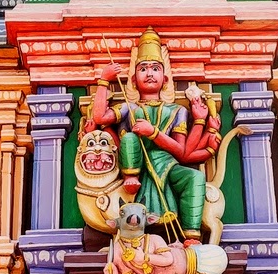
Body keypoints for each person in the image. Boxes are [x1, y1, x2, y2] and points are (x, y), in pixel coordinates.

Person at [91, 28, 221, 242]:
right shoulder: (128, 108)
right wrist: (104, 80)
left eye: (155, 68)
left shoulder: (177, 112)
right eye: (143, 69)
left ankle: (191, 236)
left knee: (196, 177)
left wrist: (154, 133)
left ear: (165, 78)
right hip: (136, 163)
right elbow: (99, 117)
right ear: (133, 79)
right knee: (130, 137)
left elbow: (181, 152)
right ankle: (131, 178)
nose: (149, 73)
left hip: (168, 165)